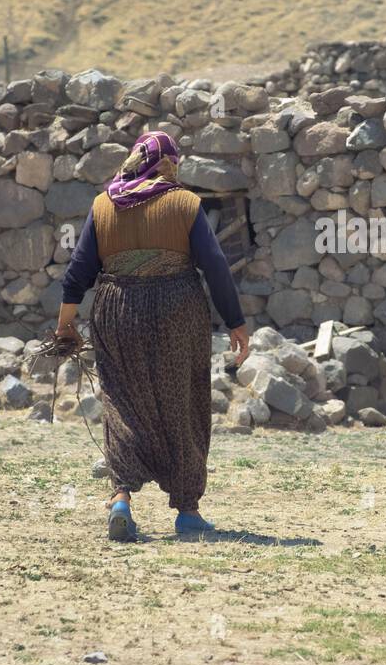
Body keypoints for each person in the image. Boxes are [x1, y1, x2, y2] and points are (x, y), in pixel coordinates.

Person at [56, 130, 249, 541]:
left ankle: (122, 497)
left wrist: (64, 324)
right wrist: (235, 321)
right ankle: (187, 510)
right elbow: (215, 267)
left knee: (121, 400)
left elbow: (78, 273)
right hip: (176, 311)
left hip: (117, 310)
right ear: (169, 165)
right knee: (183, 401)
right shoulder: (185, 203)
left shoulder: (104, 205)